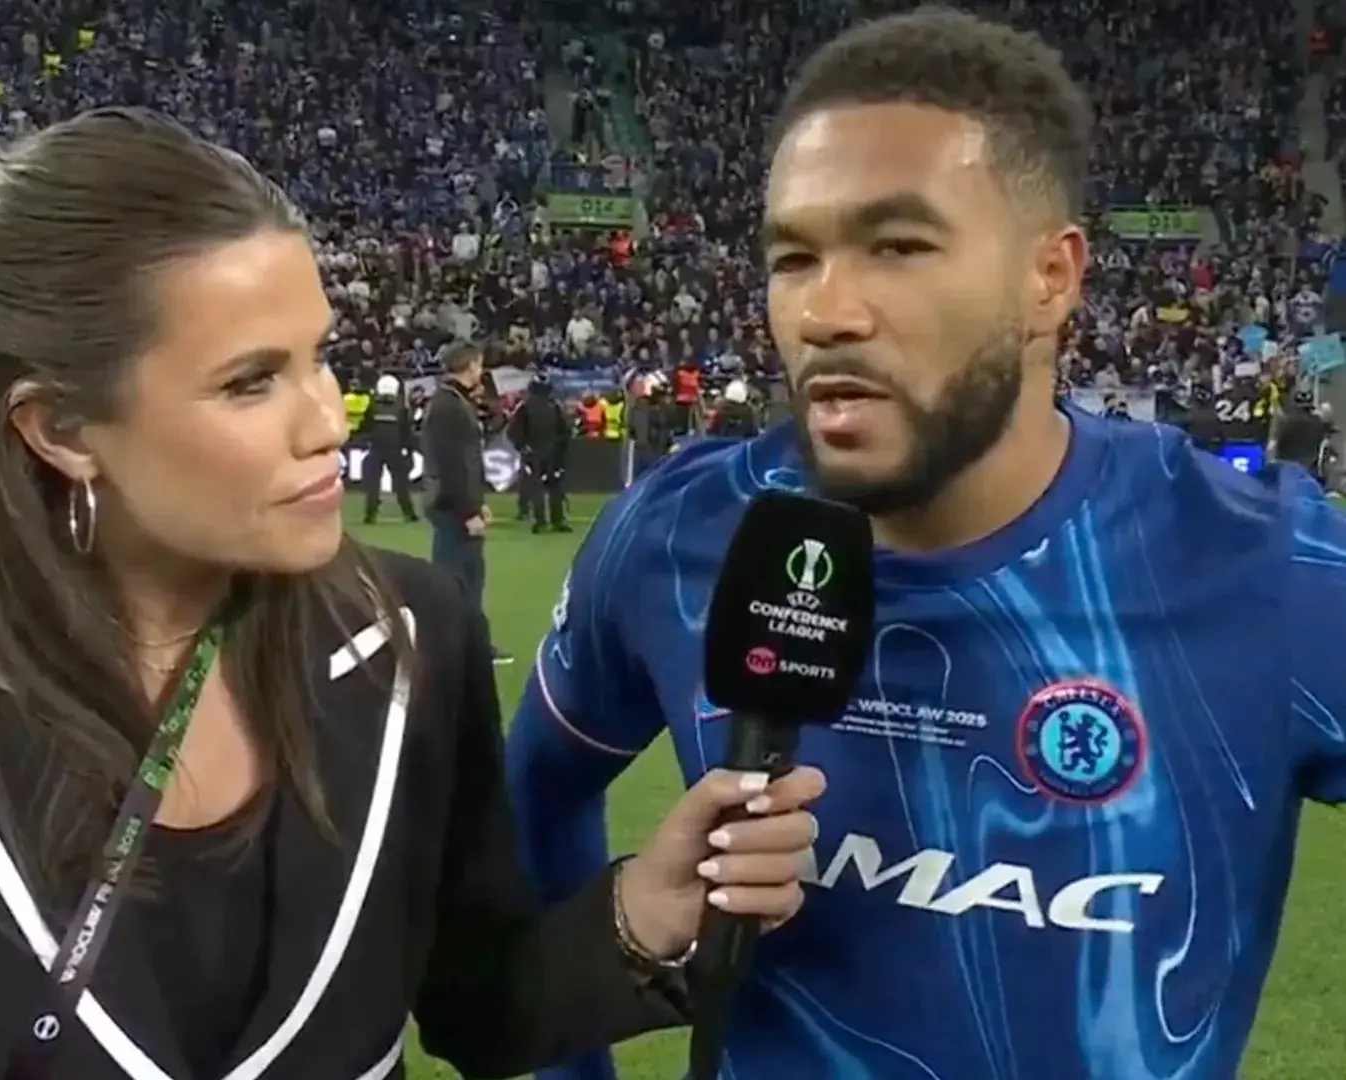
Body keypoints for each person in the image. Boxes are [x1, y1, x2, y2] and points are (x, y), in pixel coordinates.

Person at [0, 108, 824, 1080]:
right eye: (252, 381)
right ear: (61, 427)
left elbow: (482, 1009)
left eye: (318, 359)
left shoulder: (413, 635)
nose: (326, 421)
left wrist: (643, 913)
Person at [505, 11, 1346, 1080]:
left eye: (897, 246)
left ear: (1052, 278)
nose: (826, 311)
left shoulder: (1266, 569)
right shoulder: (681, 534)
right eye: (793, 257)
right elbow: (528, 810)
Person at [422, 342, 514, 663]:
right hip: (452, 509)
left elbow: (464, 464)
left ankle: (464, 646)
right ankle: (459, 649)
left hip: (452, 505)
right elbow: (453, 466)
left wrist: (478, 503)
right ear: (471, 365)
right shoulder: (449, 407)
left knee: (464, 579)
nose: (481, 370)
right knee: (460, 580)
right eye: (479, 364)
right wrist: (467, 512)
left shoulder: (451, 402)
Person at [508, 372, 573, 534]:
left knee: (538, 487)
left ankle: (542, 521)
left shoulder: (526, 406)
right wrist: (561, 448)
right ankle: (556, 520)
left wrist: (523, 447)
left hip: (536, 453)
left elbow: (514, 431)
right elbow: (565, 430)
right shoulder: (554, 406)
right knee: (554, 486)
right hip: (549, 453)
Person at [357, 373, 419, 524]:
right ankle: (409, 514)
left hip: (376, 448)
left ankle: (370, 515)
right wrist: (409, 449)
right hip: (395, 450)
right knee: (401, 483)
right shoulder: (400, 408)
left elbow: (365, 426)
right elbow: (406, 431)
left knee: (373, 484)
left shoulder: (373, 405)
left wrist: (365, 439)